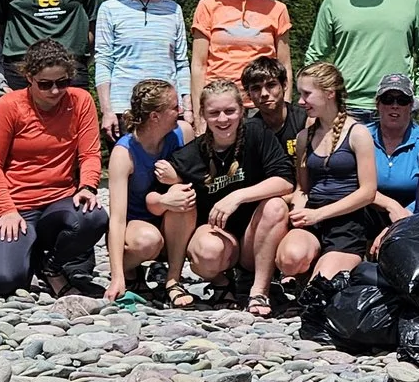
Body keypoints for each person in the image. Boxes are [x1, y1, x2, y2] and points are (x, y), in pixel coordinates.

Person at [0, 40, 106, 296]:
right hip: (15, 204)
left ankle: (52, 266)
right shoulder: (9, 106)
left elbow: (90, 153)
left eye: (62, 82)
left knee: (94, 216)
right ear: (29, 78)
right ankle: (31, 253)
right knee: (4, 281)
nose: (55, 90)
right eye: (45, 84)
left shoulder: (80, 101)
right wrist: (6, 209)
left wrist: (87, 186)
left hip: (57, 200)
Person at [160, 77, 296, 315]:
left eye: (230, 111)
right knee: (207, 250)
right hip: (219, 237)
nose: (223, 119)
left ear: (242, 110)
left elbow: (285, 180)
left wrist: (238, 196)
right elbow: (157, 199)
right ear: (202, 114)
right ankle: (221, 281)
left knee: (276, 206)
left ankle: (259, 291)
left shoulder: (257, 134)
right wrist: (170, 189)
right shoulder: (189, 155)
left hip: (256, 236)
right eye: (214, 113)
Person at [276, 63, 384, 285]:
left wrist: (321, 214)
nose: (300, 101)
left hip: (346, 221)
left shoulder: (358, 134)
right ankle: (308, 269)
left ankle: (336, 268)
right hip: (313, 216)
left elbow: (368, 192)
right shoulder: (305, 137)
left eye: (307, 94)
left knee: (322, 286)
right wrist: (298, 211)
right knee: (289, 258)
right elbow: (302, 188)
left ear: (329, 93)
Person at [103, 78, 197, 307]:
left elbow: (198, 179)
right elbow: (117, 219)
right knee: (148, 240)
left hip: (171, 219)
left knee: (182, 194)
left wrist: (175, 180)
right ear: (155, 116)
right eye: (175, 107)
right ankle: (127, 270)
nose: (181, 111)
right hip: (137, 226)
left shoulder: (183, 133)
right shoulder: (124, 153)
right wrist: (116, 278)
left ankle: (173, 279)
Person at [95, 0, 191, 140]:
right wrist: (107, 111)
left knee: (169, 170)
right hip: (125, 108)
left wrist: (187, 107)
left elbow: (181, 62)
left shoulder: (173, 9)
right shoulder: (110, 9)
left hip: (167, 109)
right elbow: (103, 62)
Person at [191, 0, 292, 115]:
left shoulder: (277, 9)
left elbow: (284, 66)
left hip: (263, 105)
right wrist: (200, 114)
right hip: (218, 106)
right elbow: (199, 65)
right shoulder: (207, 6)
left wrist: (285, 109)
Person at [367, 73, 419, 219]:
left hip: (411, 215)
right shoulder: (361, 136)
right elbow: (350, 185)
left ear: (411, 106)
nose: (394, 106)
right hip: (364, 213)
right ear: (377, 104)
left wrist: (404, 216)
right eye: (387, 99)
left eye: (402, 100)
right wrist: (390, 205)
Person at [240, 55, 306, 163]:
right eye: (256, 88)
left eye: (271, 85)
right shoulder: (249, 132)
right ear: (248, 94)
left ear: (284, 85)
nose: (264, 94)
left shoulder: (305, 120)